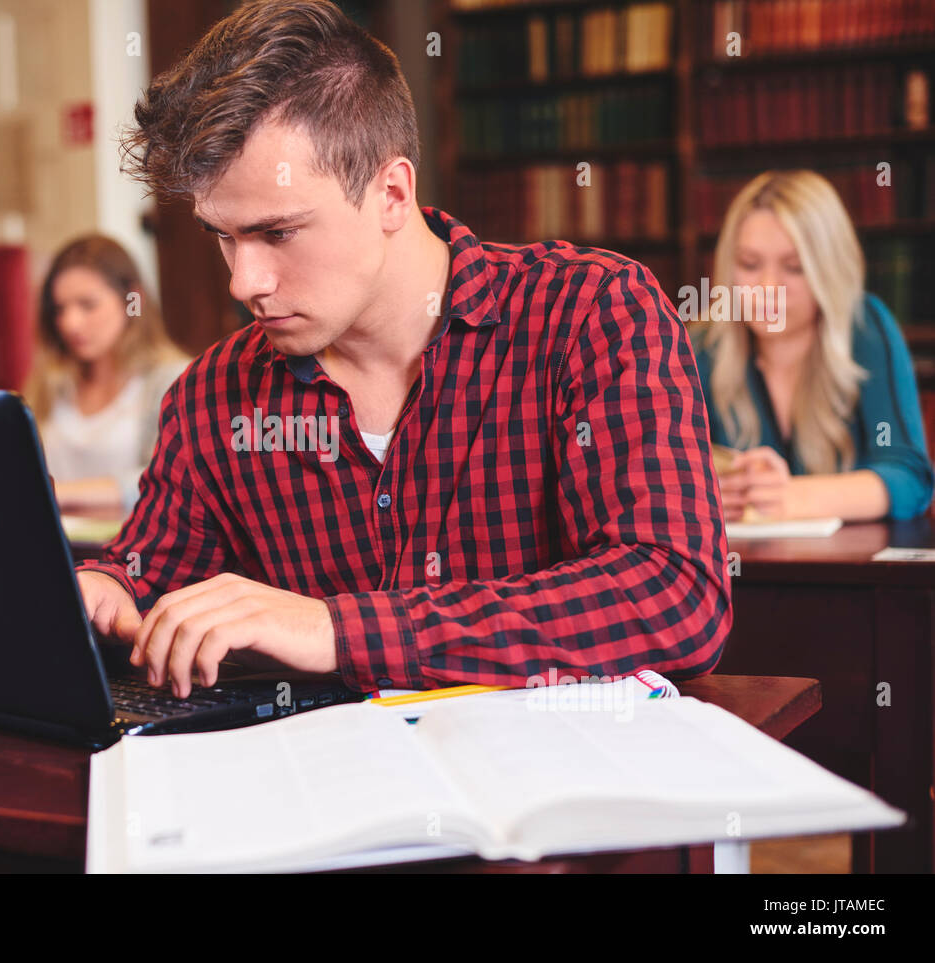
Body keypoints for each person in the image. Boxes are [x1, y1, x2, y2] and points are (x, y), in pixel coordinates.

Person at [75, 0, 731, 698]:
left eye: (278, 233)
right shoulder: (213, 397)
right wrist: (102, 590)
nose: (245, 282)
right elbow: (142, 573)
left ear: (392, 193)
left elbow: (675, 594)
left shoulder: (592, 314)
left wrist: (335, 629)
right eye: (223, 236)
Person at [690, 170, 934, 522]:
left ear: (829, 270)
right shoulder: (700, 345)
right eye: (749, 264)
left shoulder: (864, 327)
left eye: (794, 267)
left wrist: (790, 498)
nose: (767, 287)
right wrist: (702, 494)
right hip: (737, 572)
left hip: (846, 572)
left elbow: (909, 479)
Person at [23, 234, 189, 513]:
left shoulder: (173, 380)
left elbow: (173, 481)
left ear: (133, 299)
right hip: (55, 550)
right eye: (60, 309)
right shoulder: (50, 382)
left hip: (132, 552)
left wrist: (57, 493)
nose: (70, 323)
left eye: (88, 305)